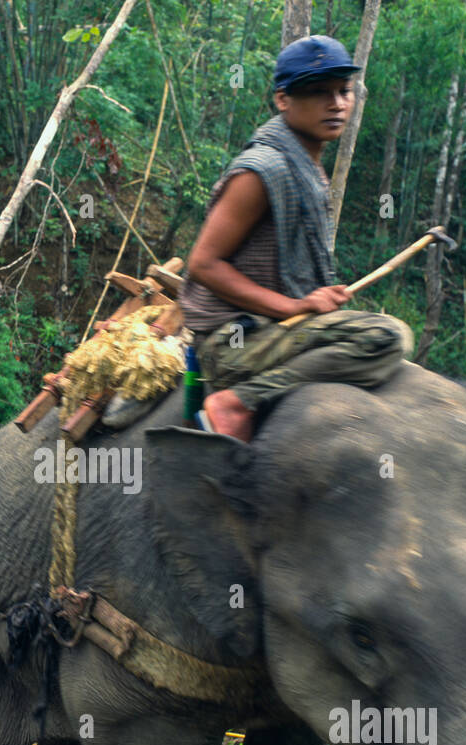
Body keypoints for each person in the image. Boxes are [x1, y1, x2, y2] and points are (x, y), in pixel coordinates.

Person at [178, 35, 412, 442]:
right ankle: (238, 400)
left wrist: (313, 299)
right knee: (386, 338)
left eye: (344, 91)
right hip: (236, 341)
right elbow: (203, 264)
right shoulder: (261, 170)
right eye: (319, 92)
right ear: (282, 100)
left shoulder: (305, 162)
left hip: (272, 329)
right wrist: (295, 304)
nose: (337, 104)